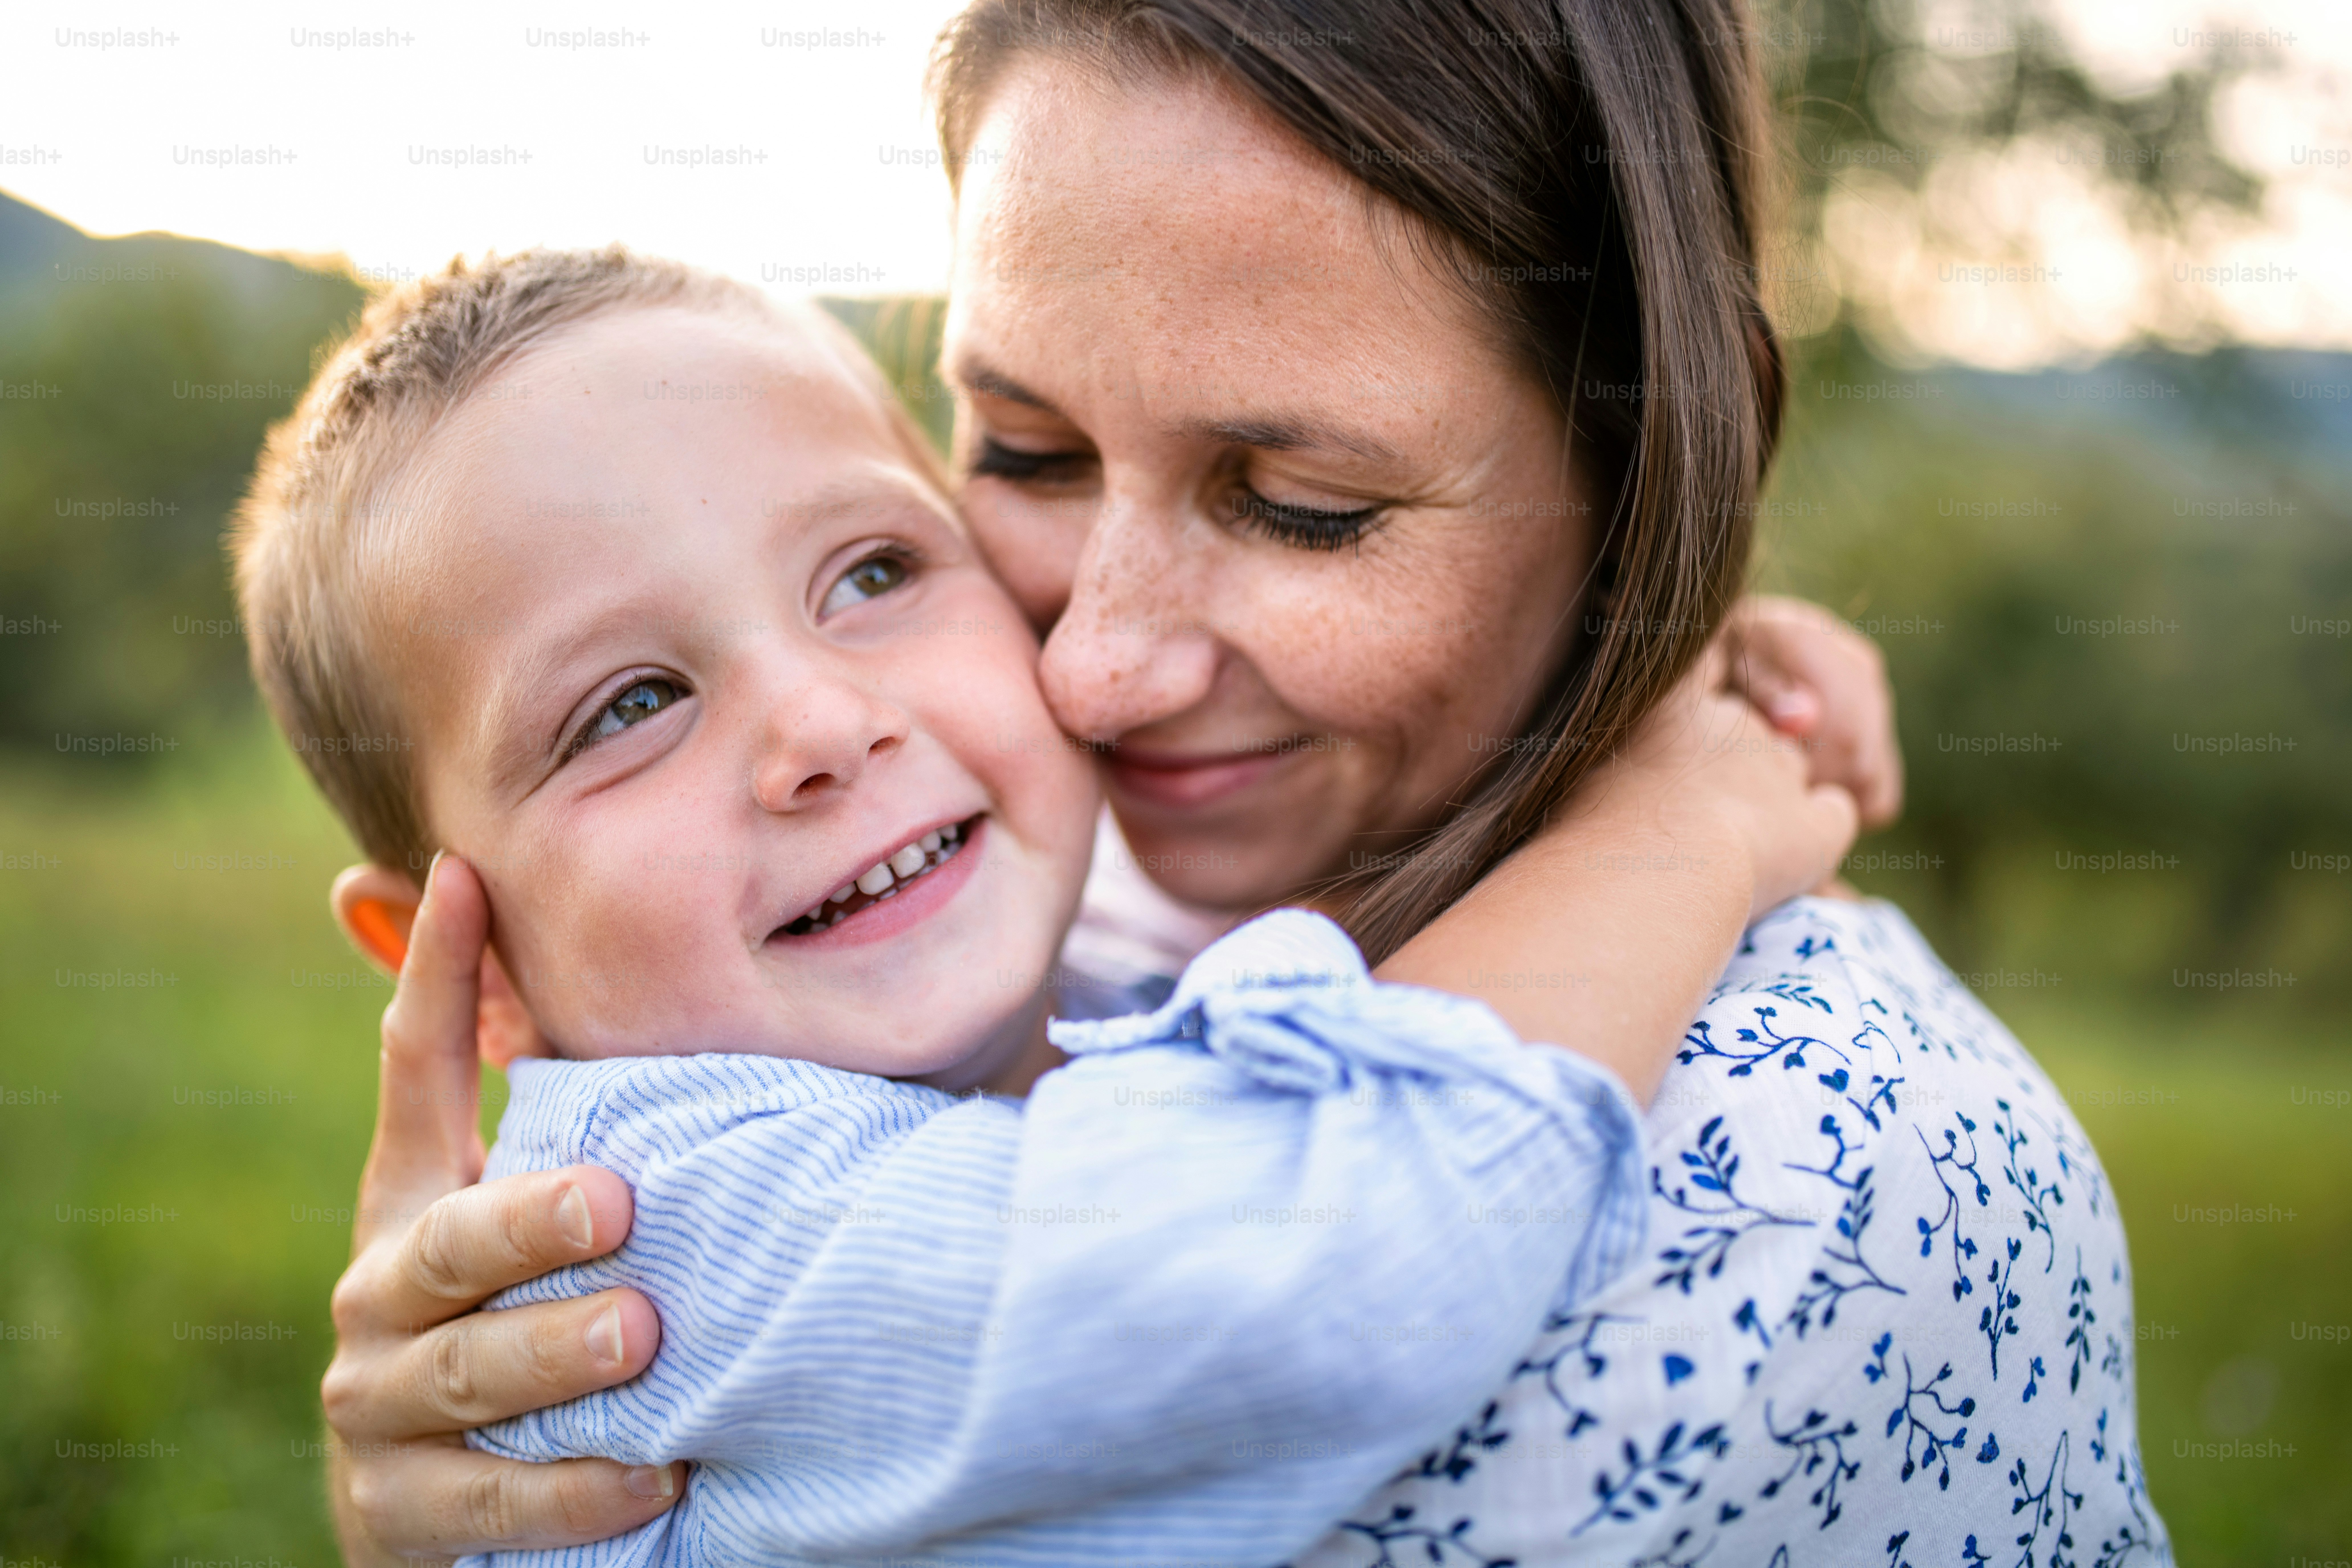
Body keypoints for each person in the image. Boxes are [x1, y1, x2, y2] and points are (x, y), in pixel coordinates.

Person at [319, 1, 2161, 1562]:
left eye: (1308, 508)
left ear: (1640, 460)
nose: (1093, 671)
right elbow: (1306, 1256)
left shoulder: (1810, 1201)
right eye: (1026, 449)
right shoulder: (770, 1137)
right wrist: (1681, 808)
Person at [240, 248, 1854, 1565]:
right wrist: (1676, 825)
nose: (820, 727)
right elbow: (1329, 1265)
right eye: (629, 705)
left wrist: (1670, 665)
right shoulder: (662, 1242)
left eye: (873, 574)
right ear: (470, 975)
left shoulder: (1044, 949)